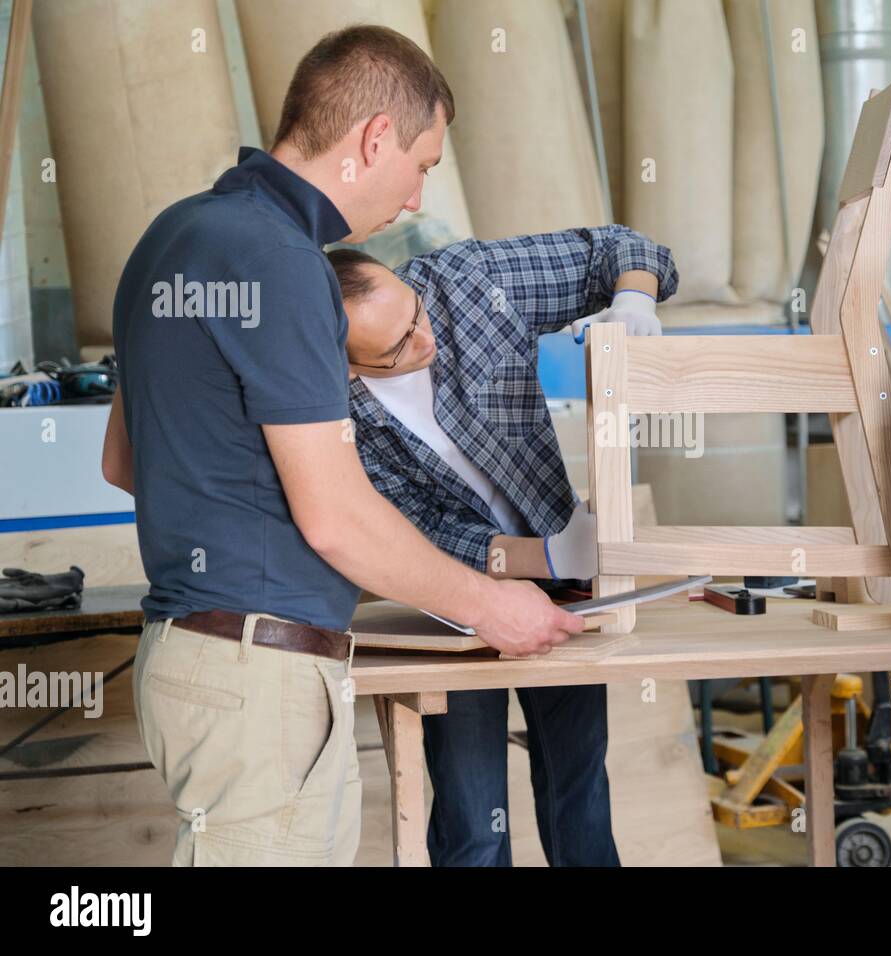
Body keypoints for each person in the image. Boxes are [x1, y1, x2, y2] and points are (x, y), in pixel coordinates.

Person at [103, 25, 583, 867]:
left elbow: (125, 462)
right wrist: (494, 606)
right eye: (423, 164)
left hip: (189, 658)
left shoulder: (170, 237)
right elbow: (337, 522)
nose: (415, 200)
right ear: (372, 139)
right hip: (259, 676)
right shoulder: (284, 262)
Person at [328, 228, 676, 866]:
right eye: (400, 346)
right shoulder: (331, 415)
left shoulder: (463, 284)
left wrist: (633, 302)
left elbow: (624, 247)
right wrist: (543, 556)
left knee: (581, 802)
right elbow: (415, 534)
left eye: (415, 312)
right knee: (472, 822)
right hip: (452, 601)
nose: (427, 339)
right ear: (348, 365)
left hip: (565, 591)